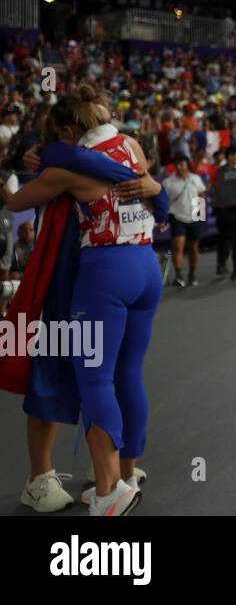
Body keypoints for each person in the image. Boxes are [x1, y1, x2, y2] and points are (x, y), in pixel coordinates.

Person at [0, 88, 164, 516]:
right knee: (129, 374)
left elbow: (17, 201)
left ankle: (110, 490)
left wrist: (30, 166)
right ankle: (125, 472)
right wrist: (49, 152)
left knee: (93, 381)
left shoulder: (69, 167)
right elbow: (154, 195)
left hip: (104, 273)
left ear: (69, 133)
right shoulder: (132, 145)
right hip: (147, 264)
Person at [163, 154, 206, 289]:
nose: (179, 166)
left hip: (194, 216)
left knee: (194, 248)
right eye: (177, 164)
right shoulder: (168, 182)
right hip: (177, 217)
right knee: (178, 247)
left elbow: (201, 195)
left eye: (182, 163)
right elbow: (163, 201)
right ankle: (179, 275)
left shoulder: (195, 179)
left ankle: (192, 274)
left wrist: (200, 214)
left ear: (187, 165)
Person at [212, 146, 236, 280]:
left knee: (224, 239)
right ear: (231, 156)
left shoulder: (220, 171)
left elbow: (213, 190)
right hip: (234, 210)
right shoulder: (233, 172)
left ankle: (222, 265)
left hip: (223, 210)